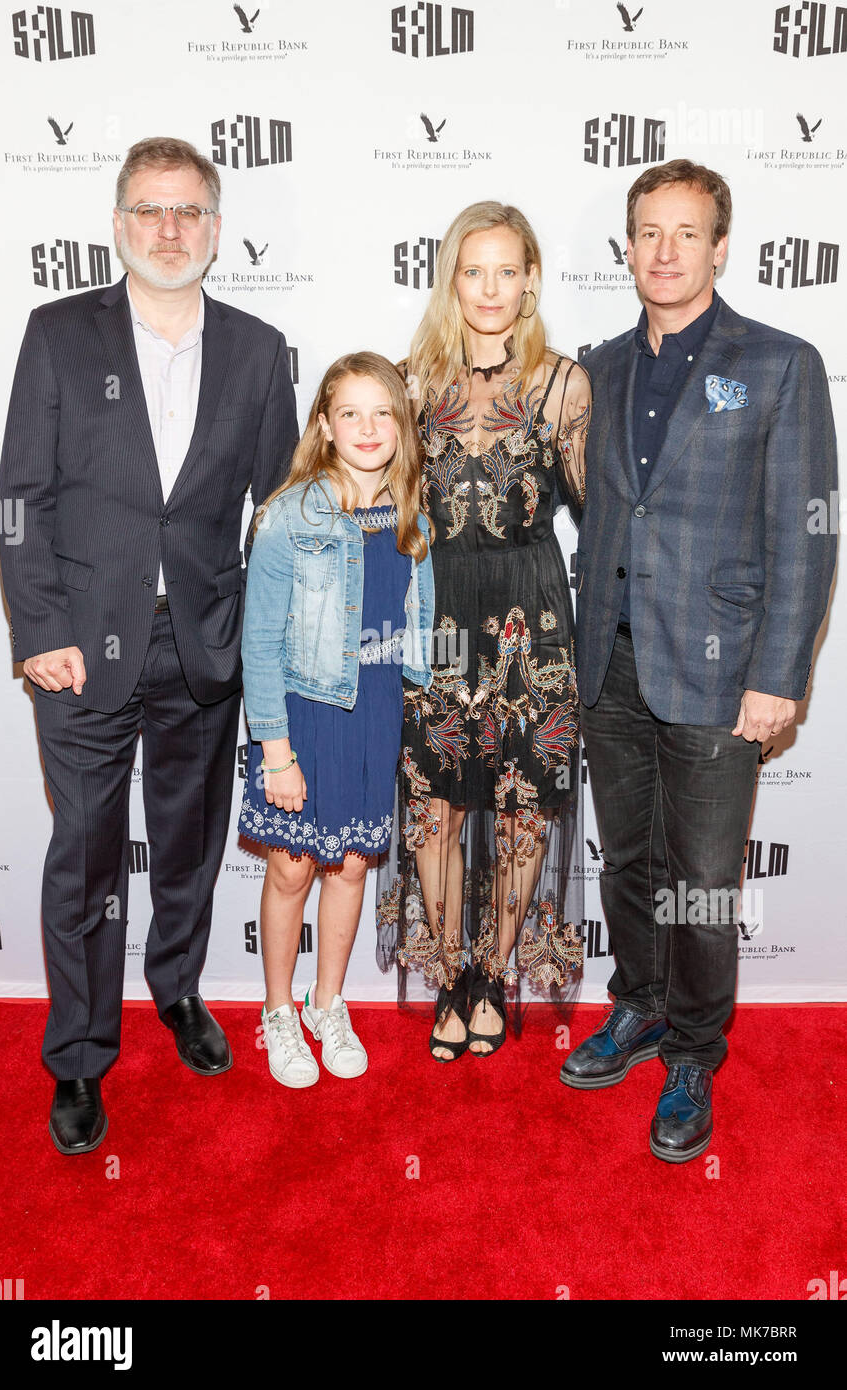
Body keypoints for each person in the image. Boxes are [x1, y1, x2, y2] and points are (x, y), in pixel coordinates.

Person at [0, 136, 298, 1154]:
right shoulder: (57, 334)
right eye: (148, 210)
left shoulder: (260, 350)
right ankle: (79, 1055)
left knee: (186, 847)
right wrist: (37, 632)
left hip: (202, 651)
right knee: (83, 857)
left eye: (187, 211)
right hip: (79, 651)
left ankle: (176, 992)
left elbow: (283, 514)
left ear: (215, 229)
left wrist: (265, 638)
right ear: (118, 225)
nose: (169, 229)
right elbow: (19, 503)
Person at [562, 159, 837, 1162]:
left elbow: (806, 536)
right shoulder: (594, 367)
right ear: (627, 246)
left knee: (703, 882)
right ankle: (635, 1004)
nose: (664, 251)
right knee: (628, 862)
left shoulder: (779, 363)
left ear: (720, 247)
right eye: (646, 232)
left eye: (685, 233)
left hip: (723, 675)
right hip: (612, 666)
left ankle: (691, 1048)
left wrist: (779, 676)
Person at [376, 202, 590, 1060]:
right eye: (475, 270)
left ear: (532, 278)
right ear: (451, 279)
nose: (492, 288)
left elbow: (606, 516)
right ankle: (451, 966)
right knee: (435, 799)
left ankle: (494, 972)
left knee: (519, 801)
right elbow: (372, 505)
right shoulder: (410, 382)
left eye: (508, 270)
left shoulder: (561, 384)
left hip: (530, 619)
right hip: (435, 616)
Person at [239, 352, 434, 1088]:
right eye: (349, 412)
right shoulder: (291, 513)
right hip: (305, 717)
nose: (367, 427)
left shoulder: (415, 512)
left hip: (376, 715)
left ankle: (328, 1003)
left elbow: (415, 629)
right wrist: (276, 751)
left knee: (351, 864)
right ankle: (279, 1012)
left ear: (402, 424)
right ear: (323, 424)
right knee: (292, 868)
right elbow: (259, 641)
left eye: (383, 411)